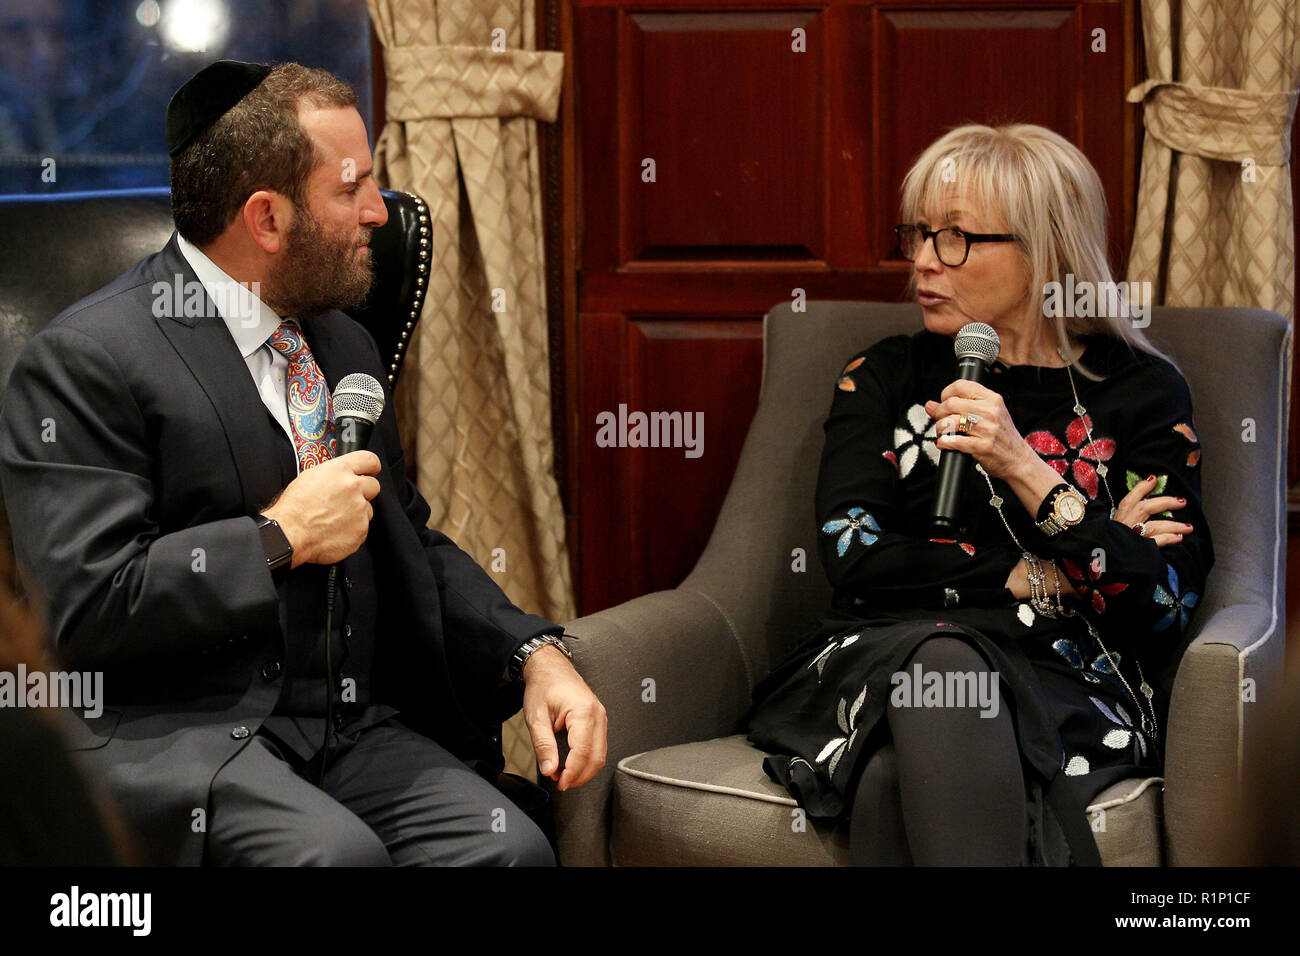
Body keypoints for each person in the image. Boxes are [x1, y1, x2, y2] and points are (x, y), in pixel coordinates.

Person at [0, 60, 607, 866]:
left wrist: (534, 654)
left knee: (508, 850)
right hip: (186, 735)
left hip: (347, 729)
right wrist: (275, 537)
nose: (375, 214)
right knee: (334, 859)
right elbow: (83, 606)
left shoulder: (340, 338)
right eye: (350, 188)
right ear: (266, 217)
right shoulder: (86, 360)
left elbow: (409, 541)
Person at [747, 124, 1213, 866]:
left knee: (894, 780)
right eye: (919, 235)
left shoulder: (1140, 392)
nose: (925, 263)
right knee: (945, 662)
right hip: (879, 657)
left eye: (957, 238)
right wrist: (1055, 570)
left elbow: (1162, 605)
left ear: (1046, 250)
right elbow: (858, 557)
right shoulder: (882, 375)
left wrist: (1023, 465)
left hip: (1062, 673)